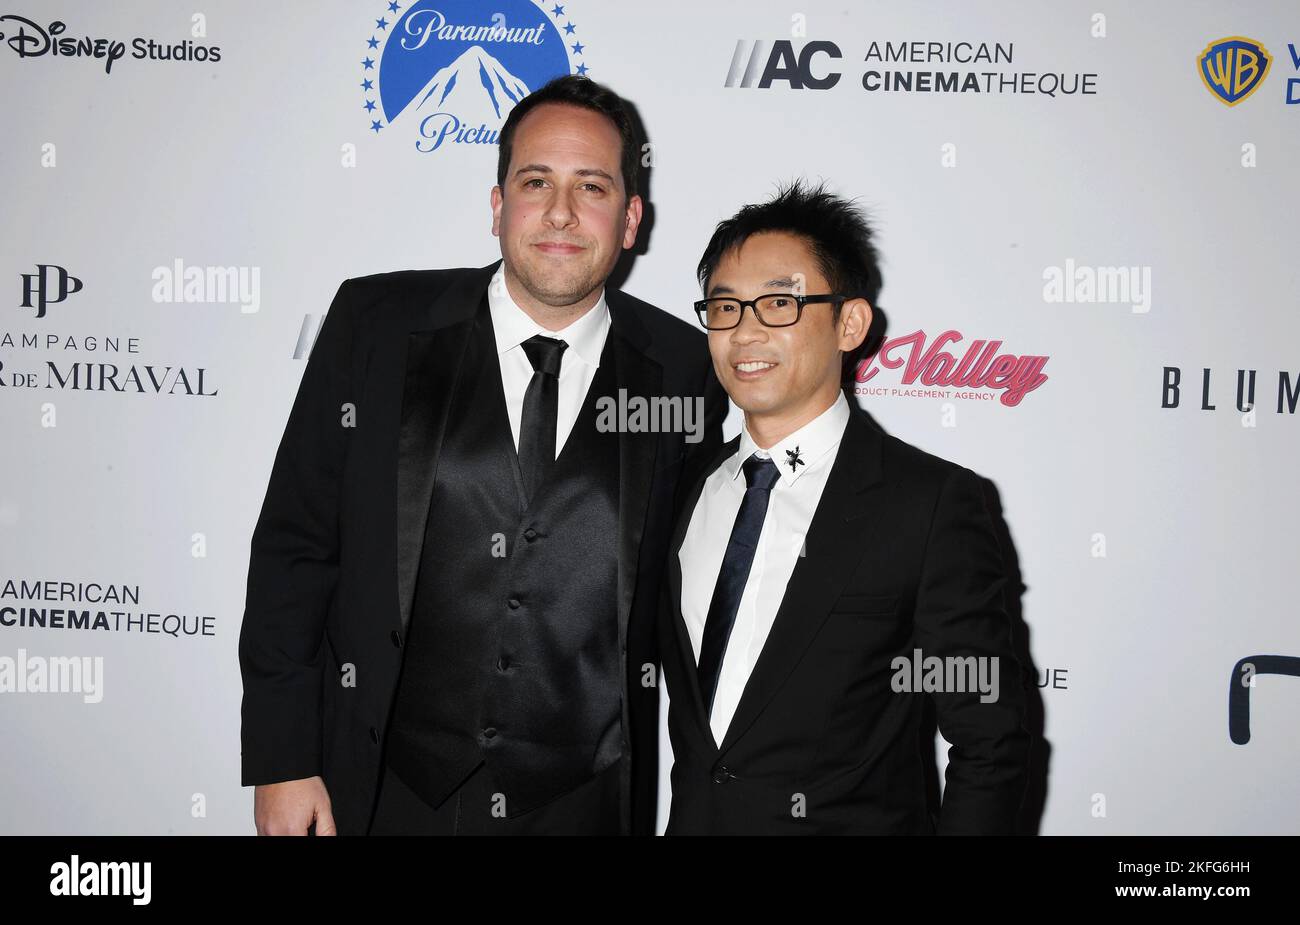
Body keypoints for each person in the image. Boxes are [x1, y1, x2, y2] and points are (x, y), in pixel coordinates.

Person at [239, 75, 725, 835]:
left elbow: (692, 592)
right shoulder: (376, 326)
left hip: (583, 802)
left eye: (591, 186)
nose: (561, 212)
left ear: (630, 219)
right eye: (536, 182)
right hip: (385, 790)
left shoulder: (685, 366)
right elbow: (295, 546)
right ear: (498, 206)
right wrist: (282, 756)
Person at [659, 180, 1030, 834]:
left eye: (779, 302)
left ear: (850, 323)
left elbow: (993, 743)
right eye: (724, 307)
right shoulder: (681, 485)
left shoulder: (930, 504)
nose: (746, 331)